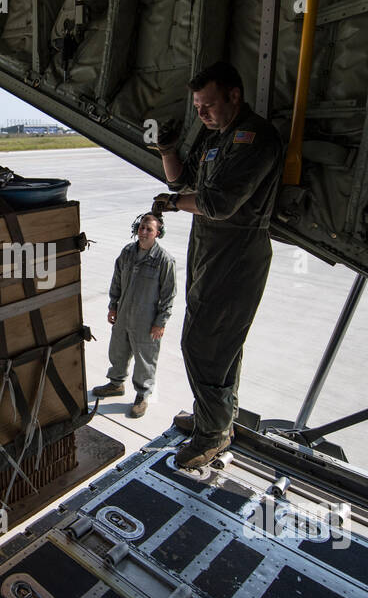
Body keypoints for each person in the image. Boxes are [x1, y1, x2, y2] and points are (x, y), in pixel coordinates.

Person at [151, 61, 285, 469]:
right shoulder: (213, 140)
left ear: (234, 96)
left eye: (208, 105)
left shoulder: (255, 138)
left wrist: (172, 205)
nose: (202, 114)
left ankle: (211, 435)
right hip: (207, 249)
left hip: (238, 254)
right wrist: (167, 151)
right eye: (197, 107)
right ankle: (216, 416)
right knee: (218, 344)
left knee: (203, 344)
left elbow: (218, 204)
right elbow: (181, 183)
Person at [92, 212, 176, 418]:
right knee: (118, 350)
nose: (144, 232)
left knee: (145, 359)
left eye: (149, 229)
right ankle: (116, 384)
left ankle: (142, 396)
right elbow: (117, 281)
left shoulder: (164, 260)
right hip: (124, 314)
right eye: (142, 228)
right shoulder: (128, 252)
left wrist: (161, 321)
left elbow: (168, 294)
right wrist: (113, 306)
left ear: (158, 233)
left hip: (146, 320)